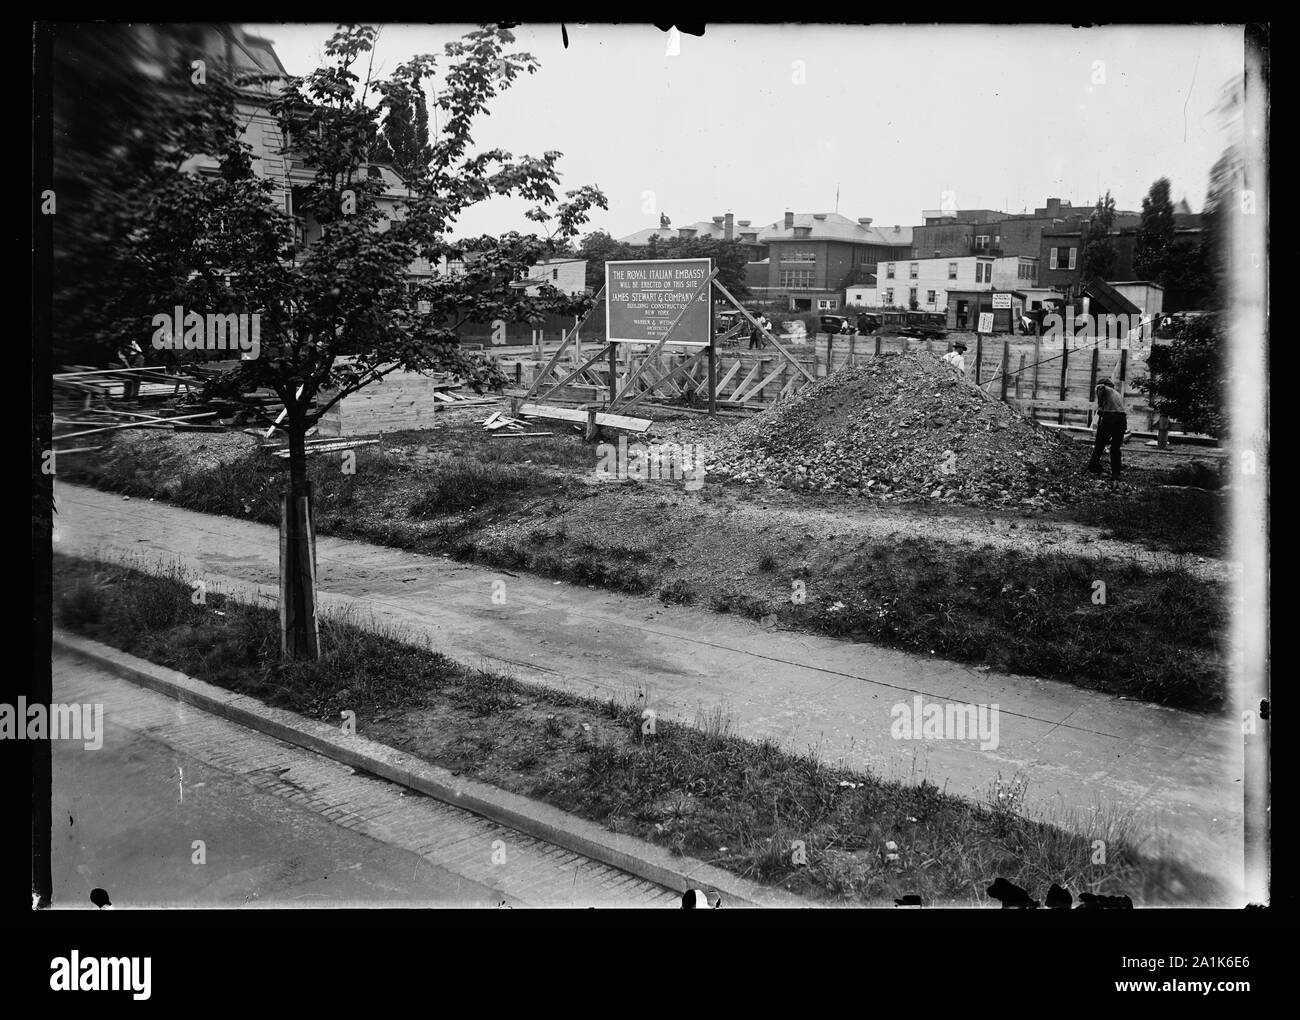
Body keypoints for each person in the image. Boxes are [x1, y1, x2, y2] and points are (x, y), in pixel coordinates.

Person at [1088, 377, 1128, 479]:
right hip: (1122, 420)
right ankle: (1116, 473)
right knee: (1115, 448)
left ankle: (1093, 467)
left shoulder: (1103, 387)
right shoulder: (1117, 394)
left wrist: (1100, 405)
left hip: (1110, 419)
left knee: (1099, 445)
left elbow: (1101, 389)